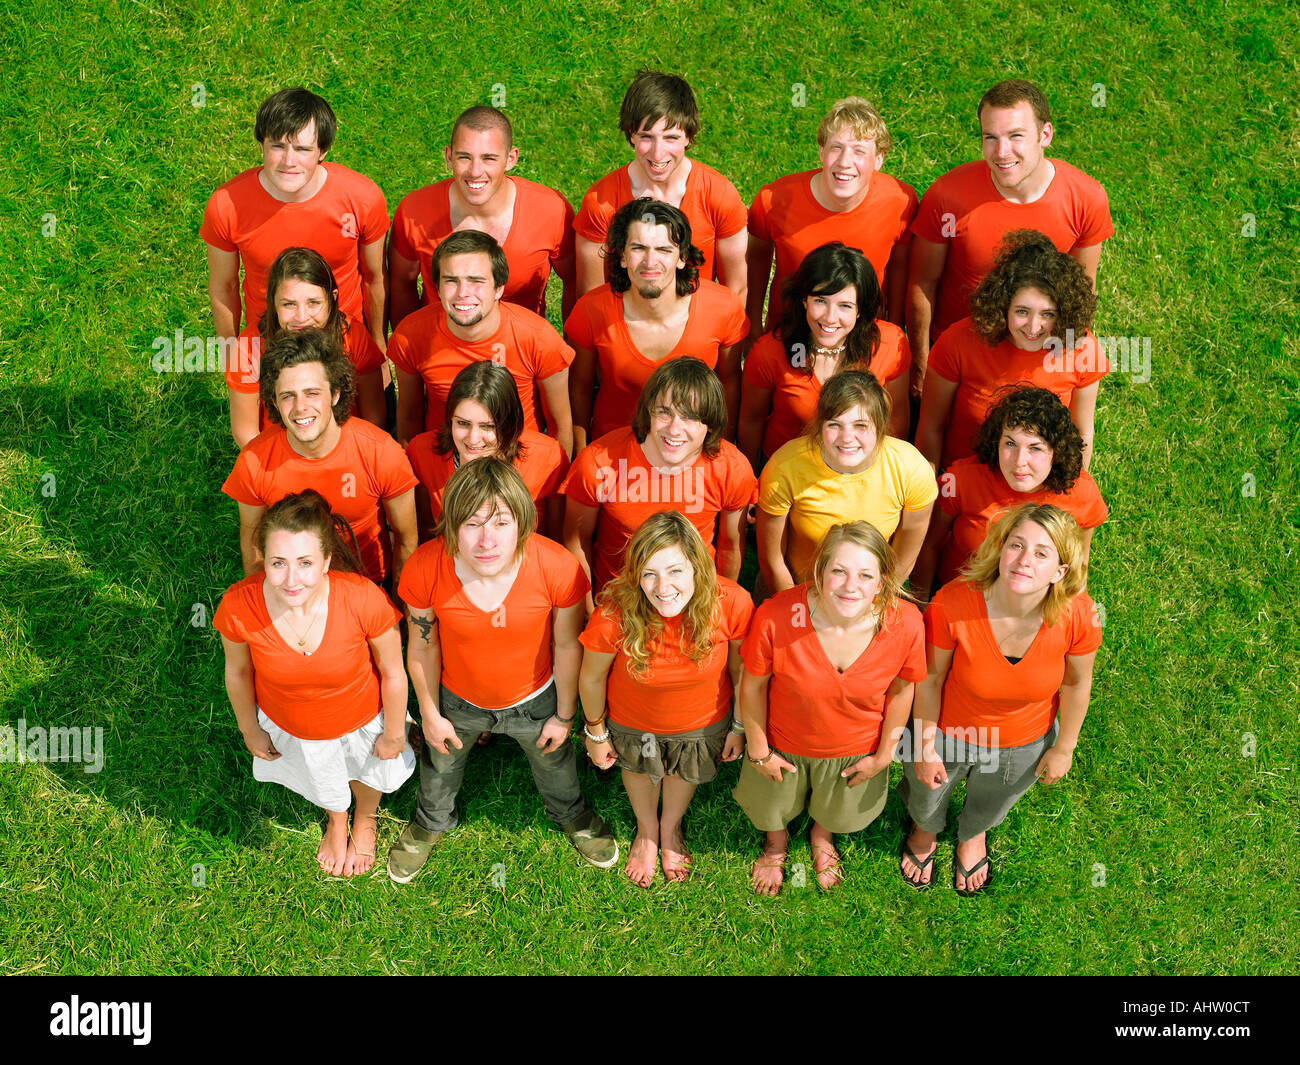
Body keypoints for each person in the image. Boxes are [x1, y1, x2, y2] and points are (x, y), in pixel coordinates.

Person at [388, 459, 618, 882]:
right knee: (440, 765)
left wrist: (565, 714)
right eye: (473, 523)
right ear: (452, 525)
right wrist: (431, 715)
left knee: (556, 762)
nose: (487, 539)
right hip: (457, 698)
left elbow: (567, 645)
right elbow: (422, 645)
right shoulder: (425, 566)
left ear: (524, 523)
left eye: (501, 521)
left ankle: (572, 813)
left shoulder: (557, 567)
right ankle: (430, 821)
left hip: (535, 698)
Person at [899, 504, 1101, 894]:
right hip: (949, 727)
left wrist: (1065, 747)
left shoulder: (1080, 615)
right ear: (1000, 548)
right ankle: (924, 829)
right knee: (926, 788)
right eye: (1016, 545)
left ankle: (973, 834)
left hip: (1023, 738)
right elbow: (930, 678)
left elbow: (1076, 685)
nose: (1024, 561)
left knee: (995, 797)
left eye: (1042, 554)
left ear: (1060, 571)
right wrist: (924, 746)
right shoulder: (953, 602)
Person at [214, 490, 415, 877]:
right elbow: (237, 673)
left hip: (363, 720)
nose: (291, 580)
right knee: (323, 774)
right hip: (296, 726)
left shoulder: (363, 599)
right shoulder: (239, 607)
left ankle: (366, 817)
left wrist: (392, 733)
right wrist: (250, 730)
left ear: (326, 561)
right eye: (278, 563)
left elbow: (392, 671)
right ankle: (337, 819)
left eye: (305, 563)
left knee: (368, 768)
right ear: (263, 559)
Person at [736, 522, 925, 893]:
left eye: (865, 575)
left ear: (882, 581)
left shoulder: (906, 624)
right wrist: (759, 750)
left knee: (836, 810)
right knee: (771, 806)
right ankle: (776, 843)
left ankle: (822, 837)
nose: (850, 586)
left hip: (855, 749)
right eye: (838, 570)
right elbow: (753, 685)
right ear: (819, 570)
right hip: (783, 744)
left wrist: (884, 755)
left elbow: (903, 691)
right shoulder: (777, 614)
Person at [907, 79, 1112, 394]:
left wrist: (1064, 371)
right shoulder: (948, 197)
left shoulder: (1086, 199)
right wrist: (921, 365)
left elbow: (1080, 292)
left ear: (1045, 135)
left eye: (1016, 136)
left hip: (1035, 354)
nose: (1001, 153)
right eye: (990, 138)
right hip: (955, 356)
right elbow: (923, 284)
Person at [580, 512, 752, 886]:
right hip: (632, 722)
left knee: (683, 773)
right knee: (640, 772)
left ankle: (670, 827)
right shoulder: (614, 612)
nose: (662, 587)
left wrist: (739, 726)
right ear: (635, 575)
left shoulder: (733, 603)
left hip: (702, 723)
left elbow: (742, 674)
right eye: (649, 573)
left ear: (697, 567)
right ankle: (646, 831)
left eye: (675, 571)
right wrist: (596, 734)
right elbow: (591, 678)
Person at [222, 329, 418, 586]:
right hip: (293, 590)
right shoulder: (253, 461)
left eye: (312, 393)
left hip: (370, 586)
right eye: (288, 396)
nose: (301, 407)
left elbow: (407, 541)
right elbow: (253, 549)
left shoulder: (381, 452)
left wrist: (397, 607)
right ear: (274, 403)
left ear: (335, 394)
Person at [202, 87, 388, 352]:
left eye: (302, 149)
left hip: (345, 343)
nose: (289, 161)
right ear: (261, 145)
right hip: (271, 346)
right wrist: (232, 352)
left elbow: (375, 278)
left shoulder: (363, 198)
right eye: (278, 146)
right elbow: (224, 286)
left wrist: (377, 347)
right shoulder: (226, 204)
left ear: (322, 151)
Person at [563, 357, 755, 600]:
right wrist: (588, 609)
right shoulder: (599, 463)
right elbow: (577, 539)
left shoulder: (731, 468)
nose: (674, 429)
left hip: (691, 601)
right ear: (648, 411)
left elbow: (731, 546)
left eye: (690, 417)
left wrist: (719, 604)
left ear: (711, 423)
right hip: (618, 600)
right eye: (664, 413)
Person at [915, 229, 1104, 474]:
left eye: (1048, 314)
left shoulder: (1083, 350)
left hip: (1038, 484)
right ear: (1003, 305)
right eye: (1022, 312)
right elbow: (931, 427)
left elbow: (1082, 433)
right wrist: (929, 492)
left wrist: (1072, 492)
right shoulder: (958, 341)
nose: (1034, 327)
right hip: (963, 481)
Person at [566, 198, 748, 450]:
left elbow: (729, 383)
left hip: (691, 450)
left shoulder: (723, 308)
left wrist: (718, 450)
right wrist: (581, 455)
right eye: (638, 248)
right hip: (614, 451)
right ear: (621, 257)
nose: (650, 262)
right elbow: (579, 388)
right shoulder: (591, 311)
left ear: (682, 258)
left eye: (663, 250)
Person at [910, 385, 1107, 598]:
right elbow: (928, 545)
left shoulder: (1083, 494)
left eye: (1035, 448)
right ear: (997, 441)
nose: (1019, 461)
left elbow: (1079, 566)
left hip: (1034, 606)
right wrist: (920, 603)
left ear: (1056, 452)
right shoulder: (961, 480)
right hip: (957, 596)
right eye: (1010, 443)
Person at [389, 230, 574, 456]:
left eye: (476, 281)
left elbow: (560, 426)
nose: (463, 293)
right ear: (436, 287)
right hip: (446, 458)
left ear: (499, 288)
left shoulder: (539, 338)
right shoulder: (410, 337)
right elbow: (409, 416)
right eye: (451, 281)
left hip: (518, 460)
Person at [388, 106, 576, 328]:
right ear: (449, 156)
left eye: (489, 158)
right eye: (464, 157)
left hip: (523, 347)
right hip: (442, 343)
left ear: (511, 159)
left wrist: (574, 350)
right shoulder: (414, 211)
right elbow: (401, 284)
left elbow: (574, 279)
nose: (475, 171)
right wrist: (410, 347)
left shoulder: (551, 210)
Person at [746, 96, 916, 334]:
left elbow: (899, 268)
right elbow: (755, 261)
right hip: (790, 335)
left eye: (859, 151)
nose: (845, 162)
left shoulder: (900, 201)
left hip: (862, 336)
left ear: (879, 159)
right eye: (836, 147)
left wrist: (894, 329)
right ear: (821, 151)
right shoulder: (773, 200)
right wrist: (752, 326)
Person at [757, 371, 936, 595]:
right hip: (799, 591)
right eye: (835, 425)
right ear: (820, 425)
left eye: (860, 425)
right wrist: (798, 612)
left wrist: (868, 606)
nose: (847, 437)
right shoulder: (784, 467)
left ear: (880, 426)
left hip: (867, 596)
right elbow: (772, 559)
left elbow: (902, 562)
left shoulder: (912, 470)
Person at [573, 70, 747, 300]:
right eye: (646, 136)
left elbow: (736, 290)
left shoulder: (719, 194)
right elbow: (590, 298)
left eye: (671, 138)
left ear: (688, 137)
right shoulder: (600, 201)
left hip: (700, 329)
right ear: (631, 135)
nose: (657, 153)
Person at [739, 242, 910, 469]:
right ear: (804, 300)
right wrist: (750, 483)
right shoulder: (769, 352)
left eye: (845, 306)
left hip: (862, 470)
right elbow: (751, 421)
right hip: (789, 472)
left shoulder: (890, 344)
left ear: (861, 310)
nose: (830, 317)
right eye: (820, 301)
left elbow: (896, 420)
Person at [226, 247, 386, 447]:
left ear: (332, 298)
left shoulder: (353, 335)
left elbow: (375, 418)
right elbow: (245, 432)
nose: (301, 317)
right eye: (288, 305)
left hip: (346, 447)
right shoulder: (249, 348)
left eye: (313, 303)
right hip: (279, 453)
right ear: (272, 302)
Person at [406, 360, 569, 540]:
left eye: (488, 426)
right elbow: (426, 532)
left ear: (509, 424)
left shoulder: (547, 457)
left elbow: (557, 538)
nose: (473, 439)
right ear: (449, 419)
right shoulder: (422, 453)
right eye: (462, 423)